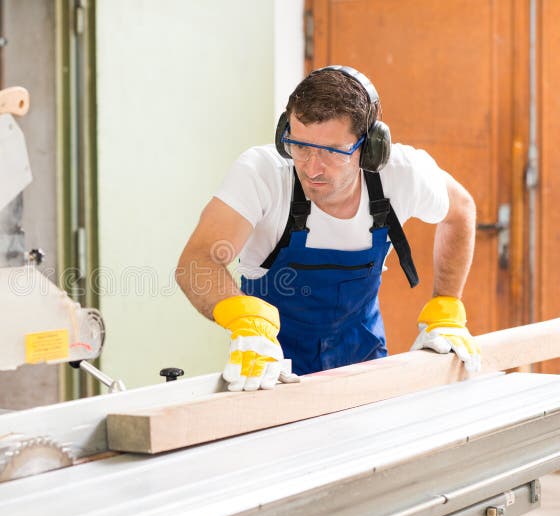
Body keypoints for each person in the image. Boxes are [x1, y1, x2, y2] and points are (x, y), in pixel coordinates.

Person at [176, 65, 480, 392]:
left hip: (364, 357)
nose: (311, 168)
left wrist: (446, 306)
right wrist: (244, 319)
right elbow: (197, 262)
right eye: (300, 146)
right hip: (273, 363)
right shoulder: (262, 174)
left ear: (370, 146)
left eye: (333, 152)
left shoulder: (402, 175)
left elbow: (461, 210)